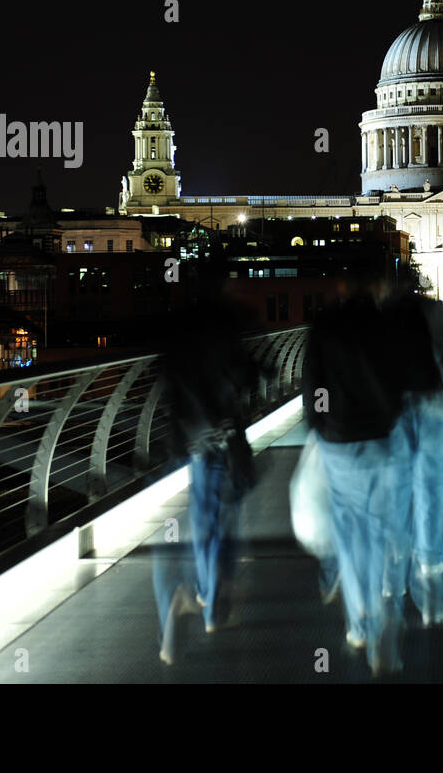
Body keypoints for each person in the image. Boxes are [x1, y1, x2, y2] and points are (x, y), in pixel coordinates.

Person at [302, 274, 411, 676]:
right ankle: (382, 620)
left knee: (349, 534)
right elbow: (401, 380)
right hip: (380, 436)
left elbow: (313, 384)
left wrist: (318, 426)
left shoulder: (325, 325)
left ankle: (360, 625)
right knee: (379, 529)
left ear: (343, 286)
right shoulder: (386, 325)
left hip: (339, 439)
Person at [155, 252, 261, 664]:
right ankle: (210, 602)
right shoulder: (227, 322)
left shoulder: (181, 321)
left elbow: (166, 373)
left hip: (189, 431)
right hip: (222, 427)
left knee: (203, 514)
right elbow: (243, 371)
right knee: (225, 516)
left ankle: (196, 591)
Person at [387, 287, 443, 627]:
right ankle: (433, 601)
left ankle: (392, 582)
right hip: (437, 404)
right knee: (431, 493)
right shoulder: (437, 312)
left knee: (397, 491)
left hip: (396, 407)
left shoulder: (385, 312)